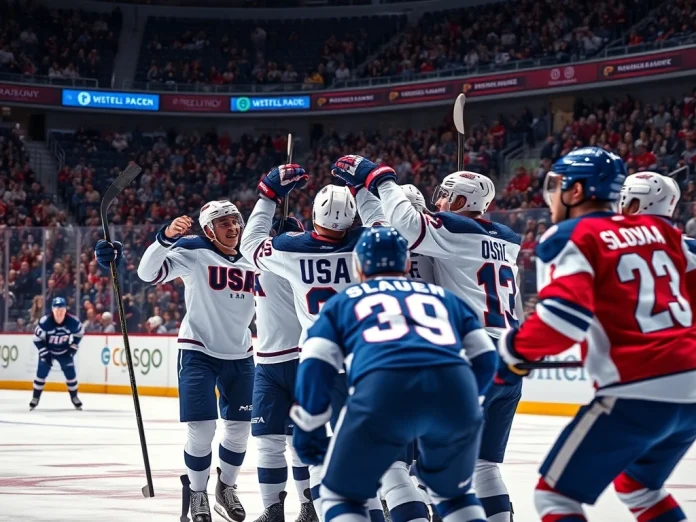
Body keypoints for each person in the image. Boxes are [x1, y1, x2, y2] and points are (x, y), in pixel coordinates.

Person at [497, 147, 696, 521]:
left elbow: (562, 320)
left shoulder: (571, 234)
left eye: (557, 187)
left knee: (555, 499)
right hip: (692, 387)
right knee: (639, 487)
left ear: (576, 192)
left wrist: (511, 356)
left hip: (638, 387)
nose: (552, 196)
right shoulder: (666, 233)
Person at [332, 156, 523, 522]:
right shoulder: (506, 240)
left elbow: (404, 223)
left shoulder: (439, 233)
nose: (438, 205)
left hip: (463, 357)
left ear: (461, 204)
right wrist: (361, 190)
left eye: (445, 197)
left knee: (406, 464)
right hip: (507, 357)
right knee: (483, 466)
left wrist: (377, 178)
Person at [240, 165, 424, 522]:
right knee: (389, 467)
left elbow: (250, 245)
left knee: (334, 471)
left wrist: (267, 196)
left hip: (325, 370)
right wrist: (362, 187)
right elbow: (385, 226)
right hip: (375, 363)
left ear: (313, 215)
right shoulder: (368, 244)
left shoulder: (291, 250)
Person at [290, 227, 498, 522]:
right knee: (455, 496)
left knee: (340, 495)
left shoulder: (345, 300)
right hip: (455, 388)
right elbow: (486, 357)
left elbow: (315, 363)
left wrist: (307, 427)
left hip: (382, 387)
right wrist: (461, 400)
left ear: (359, 265)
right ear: (405, 264)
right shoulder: (442, 297)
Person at [96, 201, 258, 522]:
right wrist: (165, 238)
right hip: (197, 349)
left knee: (239, 429)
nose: (234, 228)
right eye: (224, 223)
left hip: (240, 352)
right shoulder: (194, 250)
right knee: (202, 429)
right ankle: (198, 493)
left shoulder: (255, 255)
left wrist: (291, 236)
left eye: (236, 222)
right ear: (209, 229)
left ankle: (225, 488)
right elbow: (147, 273)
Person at [252, 215, 317, 522]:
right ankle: (273, 509)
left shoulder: (299, 259)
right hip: (266, 361)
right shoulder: (259, 256)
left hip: (300, 356)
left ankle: (309, 506)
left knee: (299, 441)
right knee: (267, 440)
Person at [31, 297, 84, 411]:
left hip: (64, 351)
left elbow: (79, 333)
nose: (59, 313)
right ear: (52, 310)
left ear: (66, 310)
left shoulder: (73, 321)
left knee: (71, 374)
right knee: (41, 373)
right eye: (57, 310)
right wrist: (44, 352)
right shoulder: (45, 322)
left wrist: (73, 347)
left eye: (62, 310)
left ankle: (74, 397)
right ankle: (35, 398)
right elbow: (36, 339)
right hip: (48, 351)